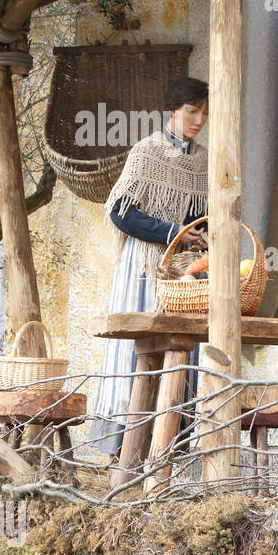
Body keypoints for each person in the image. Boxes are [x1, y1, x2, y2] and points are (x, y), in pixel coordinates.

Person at [90, 77, 210, 457]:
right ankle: (120, 453)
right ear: (173, 110)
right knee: (136, 350)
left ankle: (167, 451)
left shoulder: (204, 160)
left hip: (182, 271)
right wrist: (173, 232)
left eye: (204, 113)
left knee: (181, 351)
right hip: (142, 266)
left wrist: (201, 236)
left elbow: (199, 220)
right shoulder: (147, 151)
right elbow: (121, 212)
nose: (198, 120)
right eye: (192, 111)